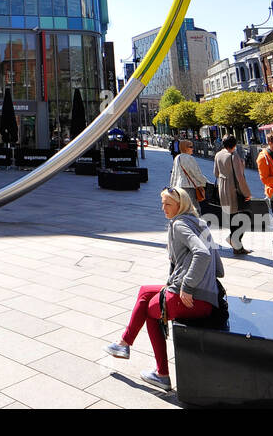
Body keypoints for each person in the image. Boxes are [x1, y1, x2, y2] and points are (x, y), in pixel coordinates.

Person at [105, 186, 225, 392]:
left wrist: (187, 285)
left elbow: (203, 253)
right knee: (145, 291)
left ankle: (162, 374)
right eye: (162, 203)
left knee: (151, 311)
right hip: (207, 295)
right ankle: (124, 344)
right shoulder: (199, 222)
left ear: (181, 205)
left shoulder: (179, 224)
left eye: (168, 204)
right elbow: (219, 268)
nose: (163, 208)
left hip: (195, 298)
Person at [214, 136, 253, 255]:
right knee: (246, 215)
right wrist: (247, 192)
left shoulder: (218, 155)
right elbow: (240, 177)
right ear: (235, 145)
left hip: (223, 188)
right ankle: (234, 240)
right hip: (234, 189)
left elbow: (216, 173)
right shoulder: (234, 156)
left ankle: (237, 246)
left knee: (232, 217)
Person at [170, 138, 212, 215]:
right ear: (185, 148)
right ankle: (195, 224)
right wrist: (205, 182)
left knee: (183, 208)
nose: (193, 148)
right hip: (189, 187)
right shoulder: (189, 158)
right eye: (191, 147)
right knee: (195, 208)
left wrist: (172, 186)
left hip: (179, 186)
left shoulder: (177, 158)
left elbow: (174, 174)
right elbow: (196, 173)